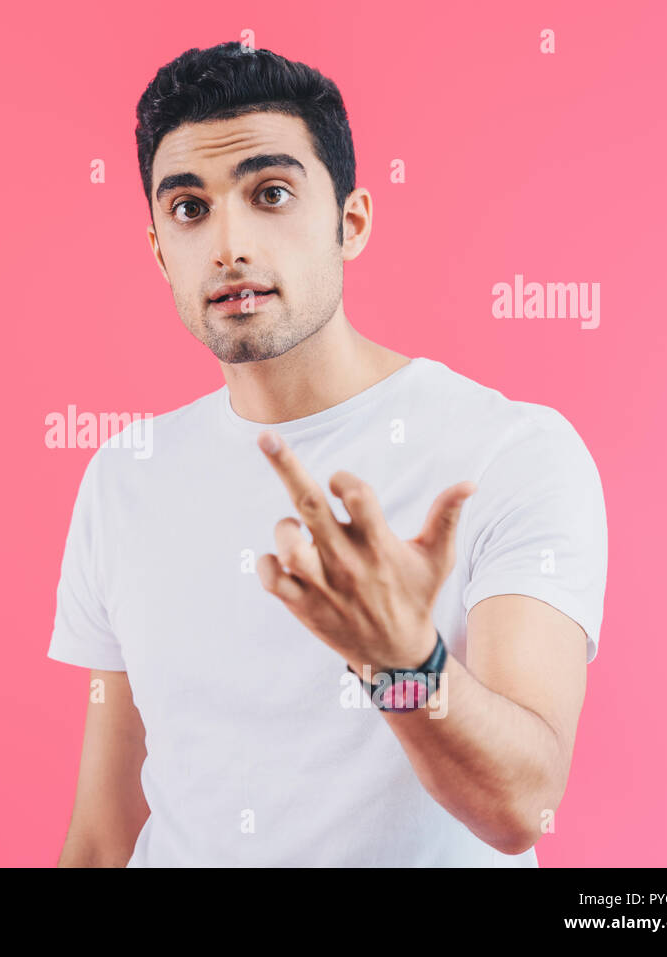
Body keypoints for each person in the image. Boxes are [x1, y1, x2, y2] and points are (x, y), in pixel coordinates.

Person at [47, 41, 608, 867]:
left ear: (352, 223)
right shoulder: (123, 475)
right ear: (161, 248)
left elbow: (522, 803)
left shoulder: (510, 452)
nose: (228, 242)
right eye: (190, 209)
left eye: (270, 193)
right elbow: (103, 829)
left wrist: (400, 663)